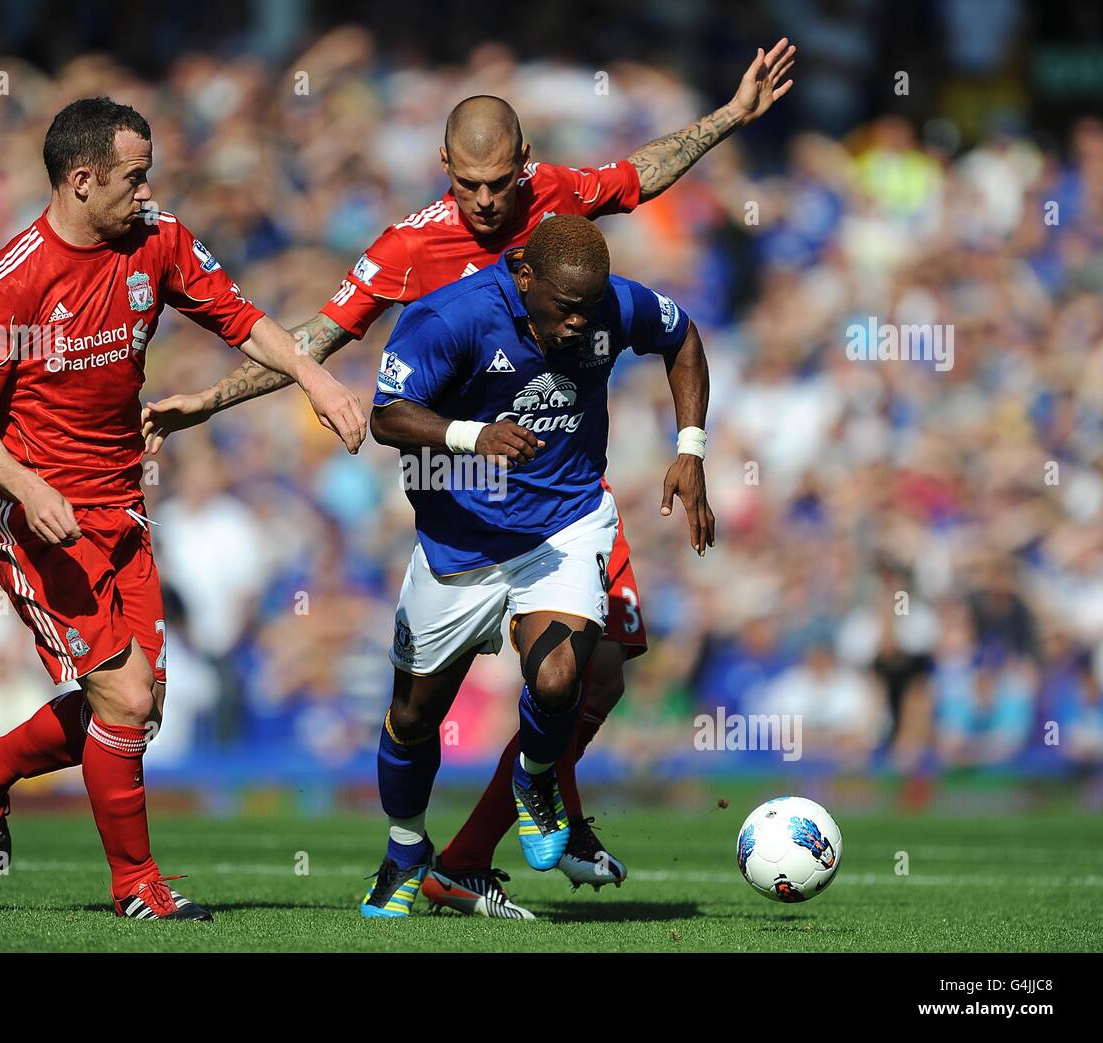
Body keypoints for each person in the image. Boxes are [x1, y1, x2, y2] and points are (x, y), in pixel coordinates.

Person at [141, 41, 791, 916]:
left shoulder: (558, 198)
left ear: (524, 166)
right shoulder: (410, 249)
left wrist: (727, 117)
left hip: (563, 492)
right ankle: (442, 850)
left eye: (500, 183)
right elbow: (321, 336)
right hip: (458, 500)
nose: (485, 203)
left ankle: (510, 822)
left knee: (588, 677)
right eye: (468, 184)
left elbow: (638, 174)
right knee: (419, 709)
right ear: (443, 165)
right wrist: (215, 398)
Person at [0, 97, 365, 921]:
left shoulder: (158, 242)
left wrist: (314, 377)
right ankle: (138, 887)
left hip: (123, 507)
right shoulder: (8, 280)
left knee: (139, 710)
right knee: (125, 700)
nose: (148, 192)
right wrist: (29, 487)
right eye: (135, 178)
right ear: (83, 178)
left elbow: (239, 316)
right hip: (36, 519)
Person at [359, 215, 713, 917]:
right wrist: (471, 434)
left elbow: (683, 338)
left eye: (591, 308)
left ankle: (538, 779)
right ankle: (405, 853)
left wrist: (692, 446)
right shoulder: (451, 317)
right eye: (566, 308)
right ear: (524, 279)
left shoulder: (615, 306)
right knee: (412, 714)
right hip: (460, 543)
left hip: (566, 523)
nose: (581, 324)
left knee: (564, 676)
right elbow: (387, 415)